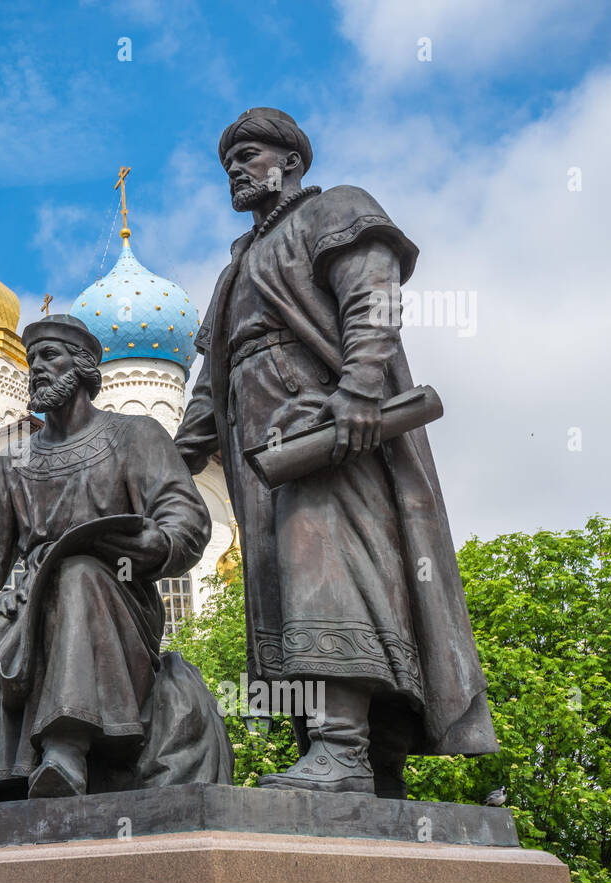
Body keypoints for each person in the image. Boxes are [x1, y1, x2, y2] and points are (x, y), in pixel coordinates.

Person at [175, 107, 498, 797]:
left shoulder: (337, 210)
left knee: (331, 579)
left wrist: (356, 390)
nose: (236, 167)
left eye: (251, 153)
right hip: (259, 456)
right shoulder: (234, 270)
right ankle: (364, 763)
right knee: (285, 595)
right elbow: (216, 373)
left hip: (327, 437)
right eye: (229, 159)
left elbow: (373, 300)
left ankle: (343, 750)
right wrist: (181, 453)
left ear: (291, 161)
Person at [0, 314, 220, 801]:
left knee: (76, 574)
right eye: (32, 359)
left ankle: (66, 751)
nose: (37, 367)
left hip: (116, 596)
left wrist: (156, 543)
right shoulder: (13, 462)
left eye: (50, 356)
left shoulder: (135, 436)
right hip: (25, 605)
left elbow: (185, 520)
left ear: (82, 369)